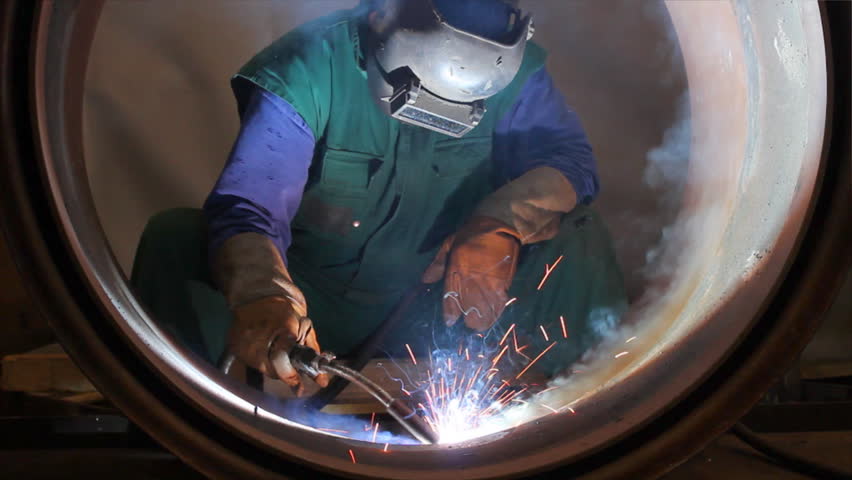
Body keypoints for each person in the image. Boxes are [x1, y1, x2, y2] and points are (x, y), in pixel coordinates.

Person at [131, 0, 627, 395]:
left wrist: (498, 224)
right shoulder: (308, 64)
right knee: (174, 240)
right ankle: (177, 420)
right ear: (382, 19)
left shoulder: (518, 73)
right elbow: (250, 204)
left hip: (439, 303)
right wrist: (265, 296)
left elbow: (569, 162)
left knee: (580, 235)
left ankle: (581, 417)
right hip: (309, 301)